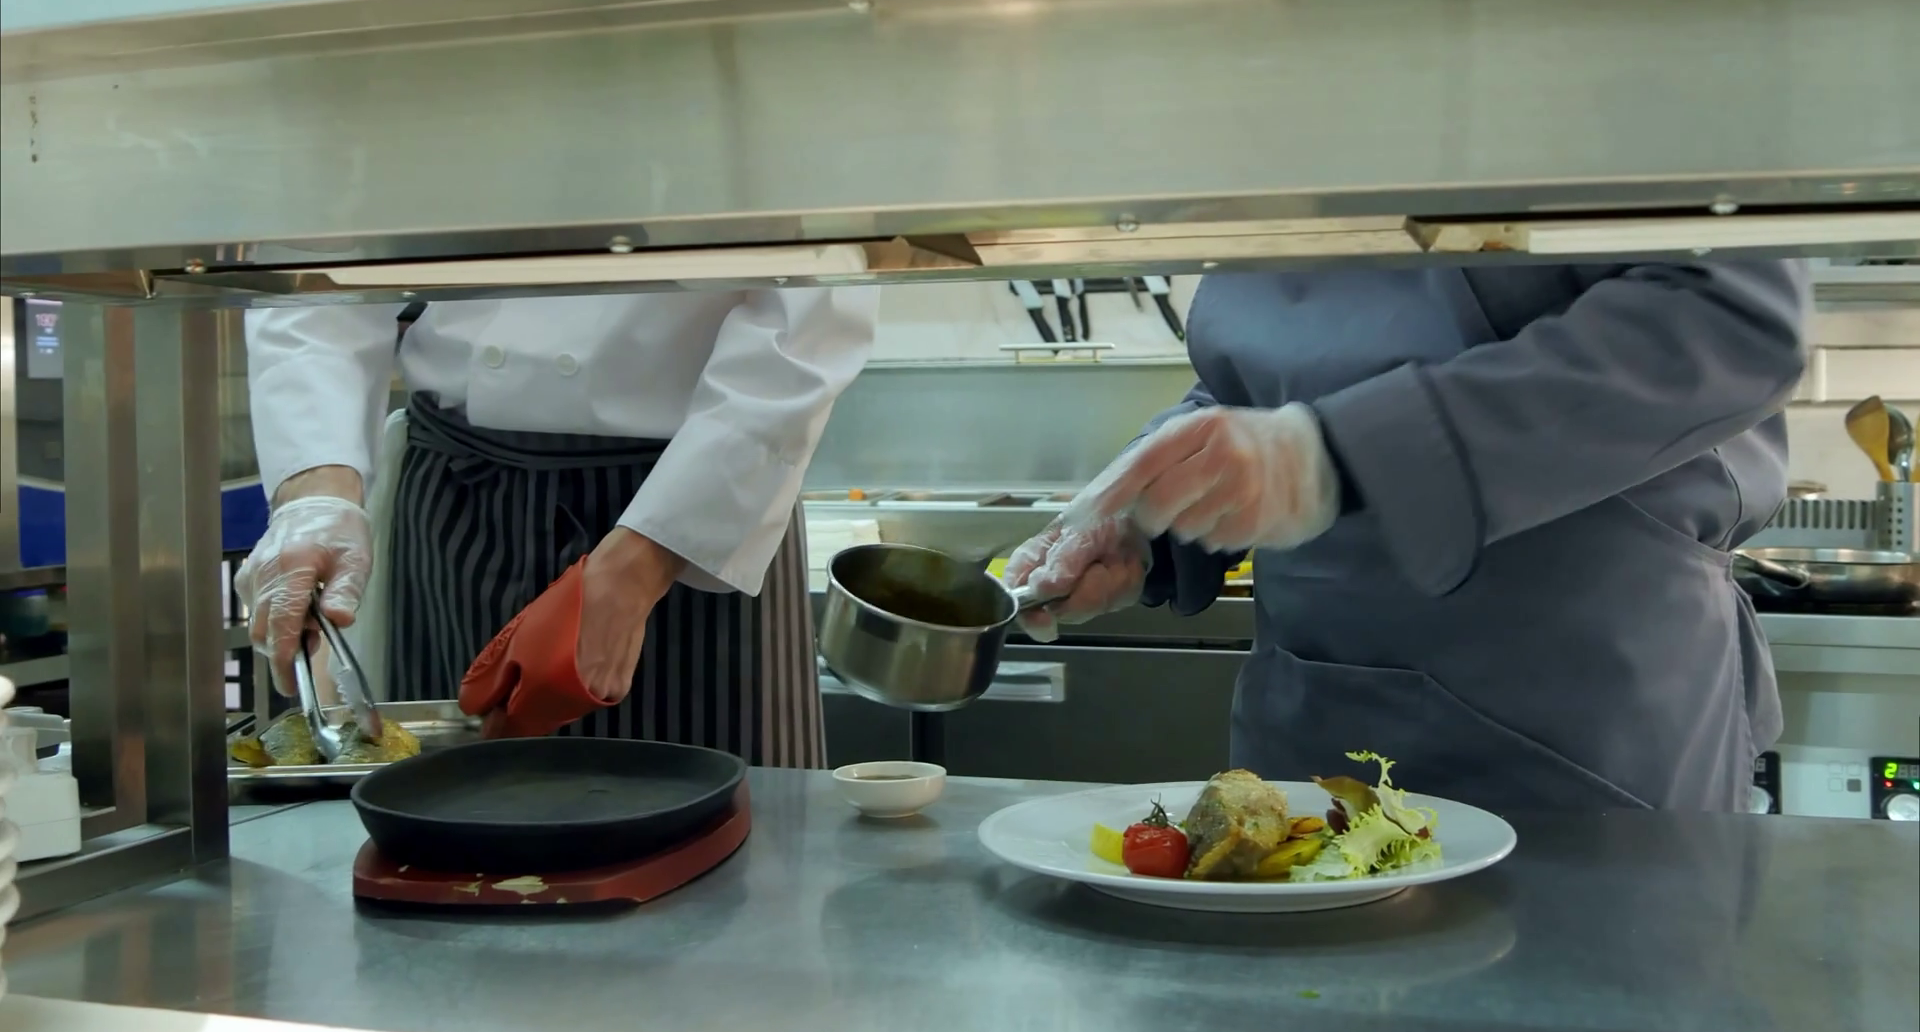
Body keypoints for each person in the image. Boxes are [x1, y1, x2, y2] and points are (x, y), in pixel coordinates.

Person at [1005, 263, 1809, 811]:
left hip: (1578, 720)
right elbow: (1263, 381)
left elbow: (1728, 322)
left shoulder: (1625, 30)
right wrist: (1157, 511)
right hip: (1308, 714)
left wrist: (1342, 453)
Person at [239, 289, 878, 767]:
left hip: (696, 506)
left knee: (726, 881)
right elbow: (313, 269)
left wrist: (644, 563)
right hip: (453, 503)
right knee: (447, 867)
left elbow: (811, 313)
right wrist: (315, 493)